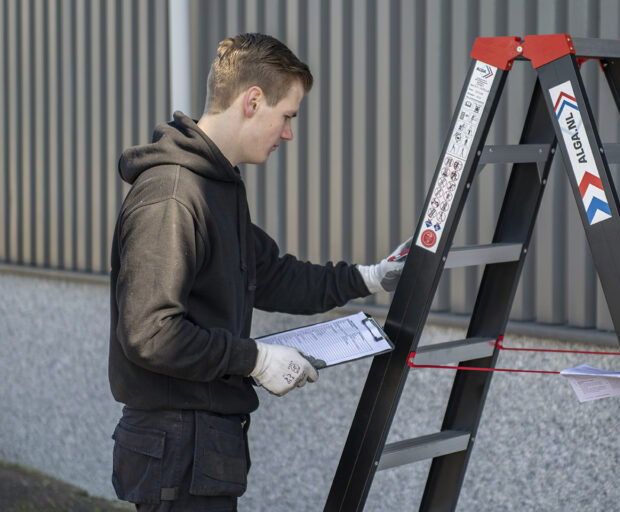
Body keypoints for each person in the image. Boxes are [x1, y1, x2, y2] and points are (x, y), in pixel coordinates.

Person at [108, 33, 409, 511]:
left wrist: (371, 277)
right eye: (287, 115)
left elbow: (272, 275)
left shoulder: (217, 189)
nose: (288, 133)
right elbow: (150, 334)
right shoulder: (172, 196)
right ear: (252, 101)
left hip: (202, 444)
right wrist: (255, 359)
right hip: (177, 445)